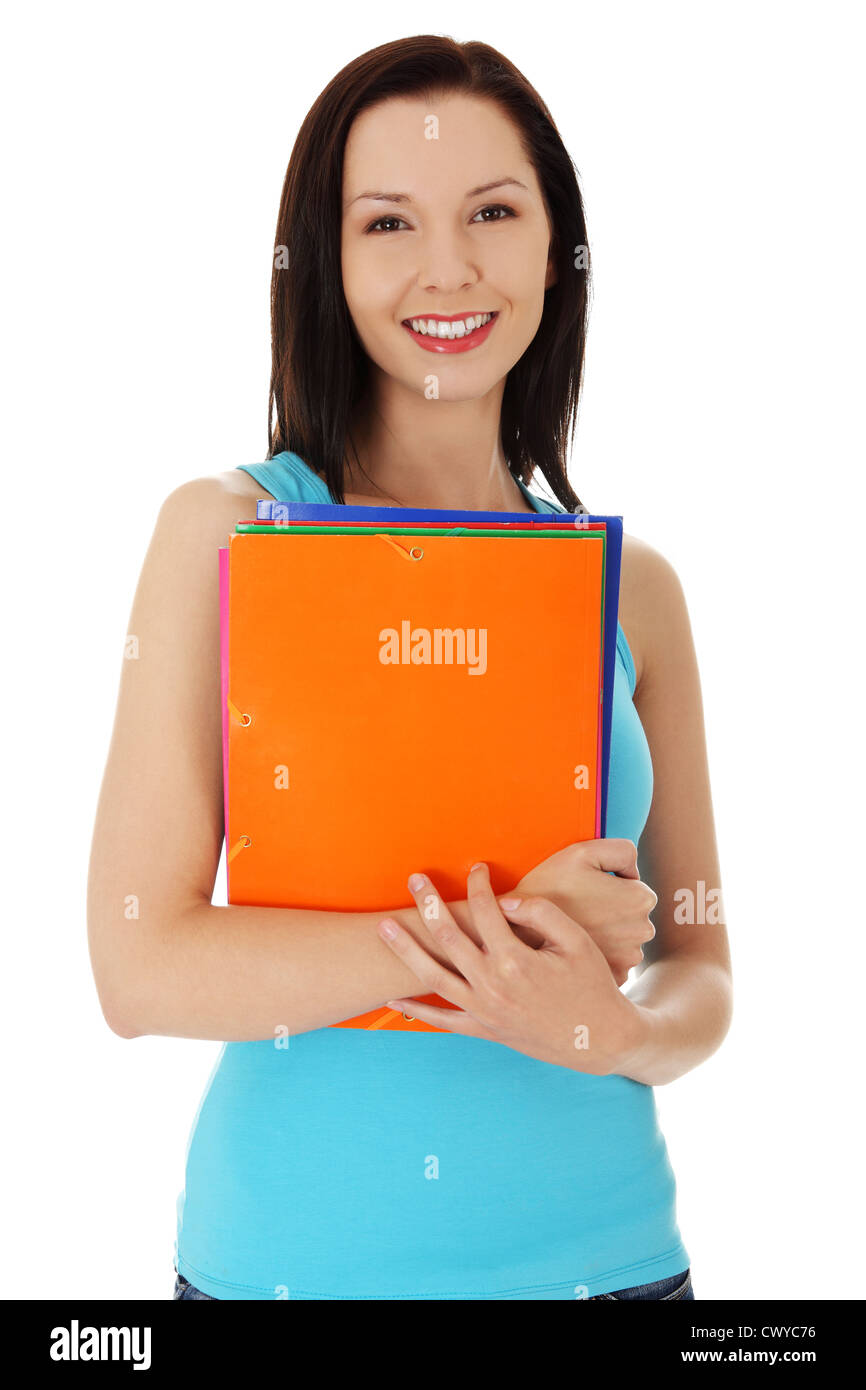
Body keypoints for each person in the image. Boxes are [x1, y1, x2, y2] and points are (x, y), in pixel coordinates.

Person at [87, 35, 731, 1301]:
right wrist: (513, 933)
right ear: (326, 260)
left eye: (493, 210)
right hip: (289, 1270)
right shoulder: (230, 536)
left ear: (557, 246)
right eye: (387, 222)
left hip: (611, 1268)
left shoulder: (632, 586)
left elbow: (700, 964)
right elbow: (139, 966)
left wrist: (619, 1030)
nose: (449, 267)